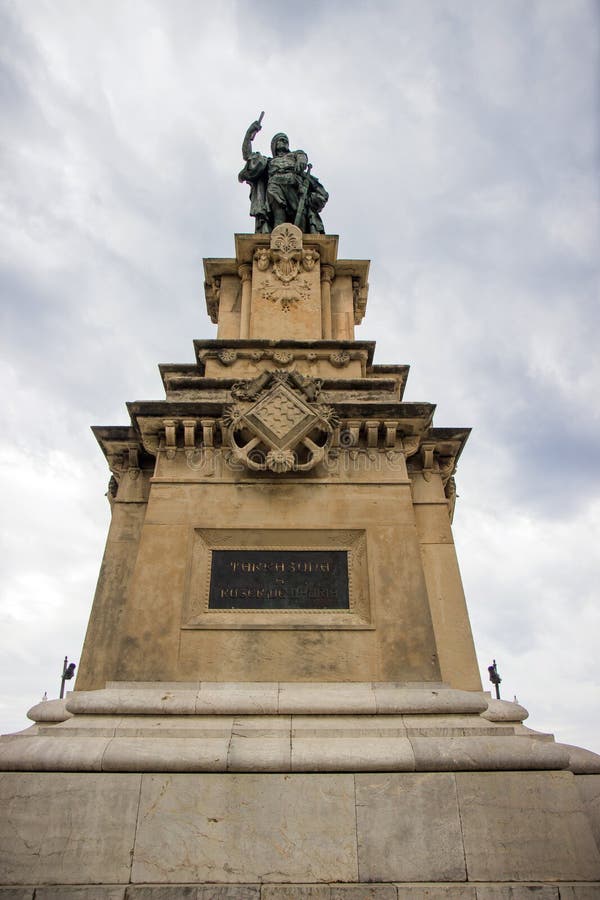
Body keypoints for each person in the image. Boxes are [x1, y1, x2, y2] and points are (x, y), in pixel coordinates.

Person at [238, 116, 328, 234]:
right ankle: (278, 240)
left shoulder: (295, 155)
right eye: (280, 140)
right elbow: (248, 156)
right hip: (275, 186)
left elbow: (302, 157)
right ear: (274, 145)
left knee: (300, 221)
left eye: (285, 140)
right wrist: (249, 134)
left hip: (295, 188)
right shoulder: (268, 162)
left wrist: (301, 161)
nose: (284, 141)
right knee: (278, 218)